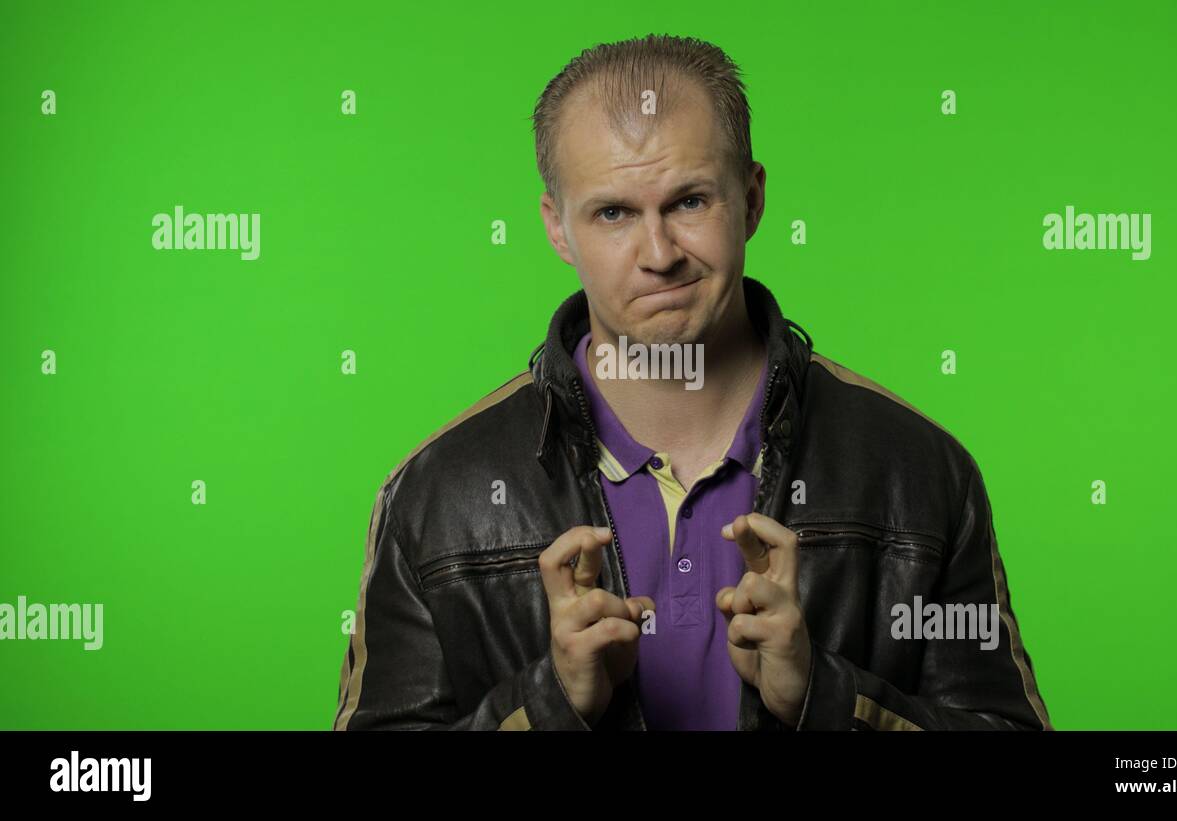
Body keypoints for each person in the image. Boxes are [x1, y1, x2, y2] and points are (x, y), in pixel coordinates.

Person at [333, 33, 1051, 731]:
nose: (658, 254)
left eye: (689, 202)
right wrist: (549, 705)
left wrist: (823, 697)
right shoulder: (435, 496)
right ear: (557, 228)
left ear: (753, 199)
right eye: (613, 212)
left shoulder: (918, 471)